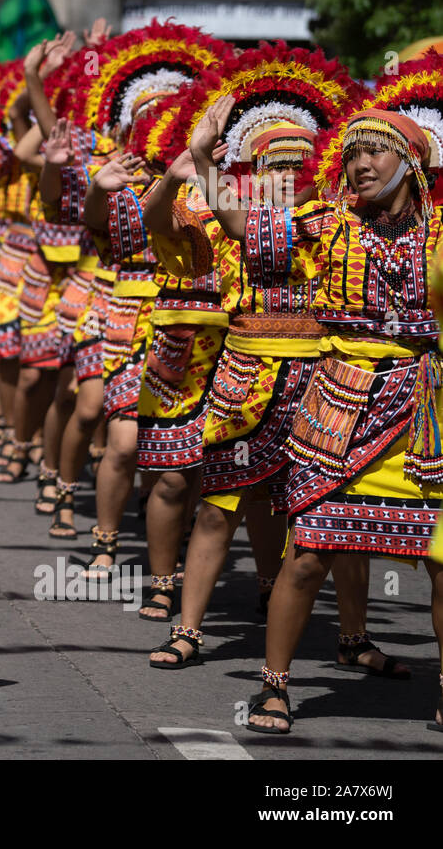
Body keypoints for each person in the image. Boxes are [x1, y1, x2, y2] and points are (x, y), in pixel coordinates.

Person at [189, 100, 443, 734]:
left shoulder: (441, 232)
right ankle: (274, 687)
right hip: (340, 405)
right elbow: (248, 231)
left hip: (425, 409)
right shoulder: (329, 223)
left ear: (411, 163)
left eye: (375, 152)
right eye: (352, 153)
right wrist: (201, 161)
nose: (359, 165)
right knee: (309, 555)